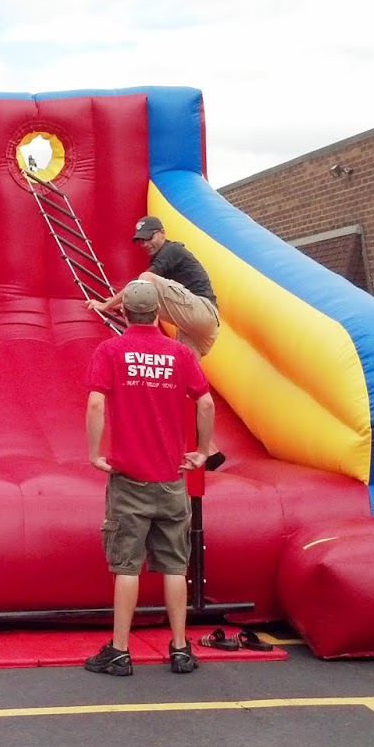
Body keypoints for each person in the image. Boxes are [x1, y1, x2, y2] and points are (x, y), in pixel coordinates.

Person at [83, 280, 215, 677]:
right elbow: (205, 403)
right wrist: (202, 452)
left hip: (130, 478)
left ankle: (120, 650)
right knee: (175, 565)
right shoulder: (179, 353)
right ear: (158, 314)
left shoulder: (111, 351)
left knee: (127, 566)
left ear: (125, 313)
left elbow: (95, 402)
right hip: (170, 479)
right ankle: (180, 648)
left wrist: (95, 453)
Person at [84, 215, 224, 470]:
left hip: (203, 313)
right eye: (141, 241)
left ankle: (137, 320)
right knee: (183, 388)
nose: (145, 244)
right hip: (194, 328)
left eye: (149, 238)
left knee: (145, 282)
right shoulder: (164, 257)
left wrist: (106, 304)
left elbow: (143, 284)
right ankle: (211, 452)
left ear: (162, 233)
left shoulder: (171, 251)